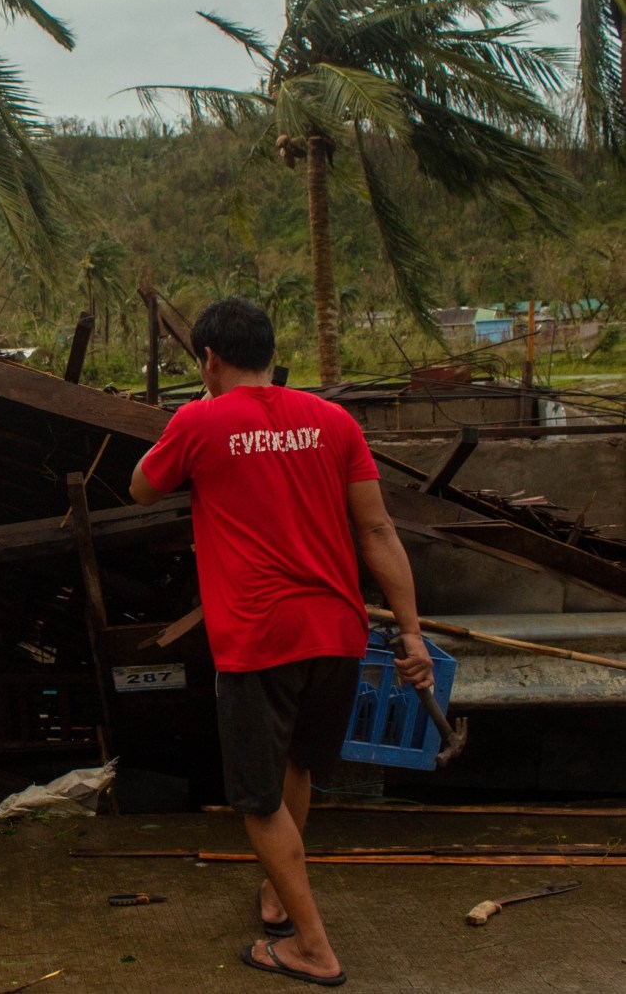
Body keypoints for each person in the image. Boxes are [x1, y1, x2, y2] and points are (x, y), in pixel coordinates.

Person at [128, 299, 432, 987]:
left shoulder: (199, 420)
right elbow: (379, 531)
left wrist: (186, 436)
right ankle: (277, 894)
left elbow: (142, 486)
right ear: (270, 351)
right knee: (299, 765)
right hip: (337, 633)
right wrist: (410, 631)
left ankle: (313, 948)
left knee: (257, 800)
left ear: (208, 360)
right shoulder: (334, 421)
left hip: (259, 637)